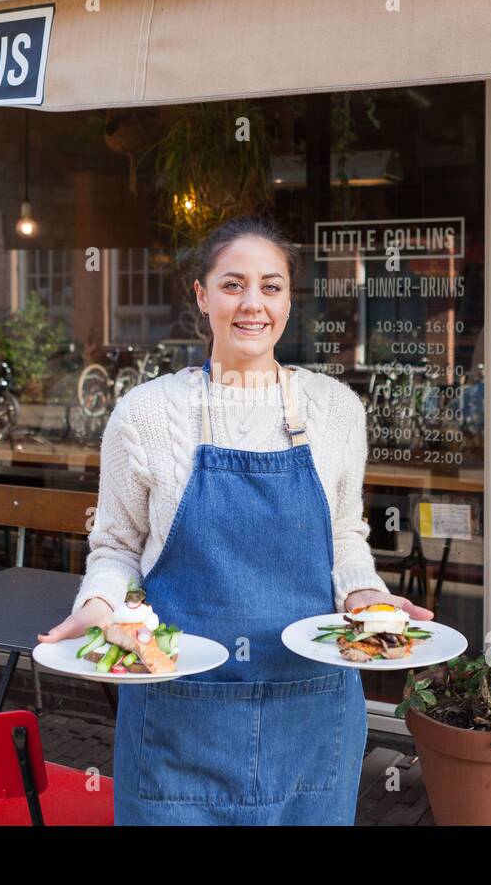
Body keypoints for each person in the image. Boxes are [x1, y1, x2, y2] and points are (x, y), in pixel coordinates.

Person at [38, 216, 432, 824]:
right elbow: (116, 547)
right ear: (201, 294)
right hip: (179, 718)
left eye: (271, 287)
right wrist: (99, 606)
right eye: (233, 284)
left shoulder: (335, 411)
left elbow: (346, 538)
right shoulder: (145, 414)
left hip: (311, 717)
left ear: (290, 300)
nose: (254, 304)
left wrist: (369, 597)